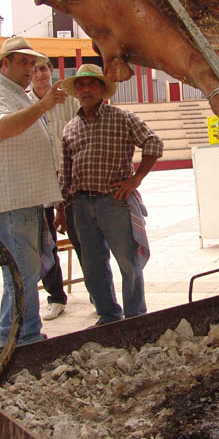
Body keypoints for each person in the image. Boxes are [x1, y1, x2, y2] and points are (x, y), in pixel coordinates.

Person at [0, 36, 67, 348]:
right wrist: (43, 104)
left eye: (32, 62)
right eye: (23, 62)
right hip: (10, 201)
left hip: (24, 199)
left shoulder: (16, 95)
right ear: (5, 64)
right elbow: (1, 129)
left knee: (21, 275)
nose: (29, 68)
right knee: (21, 276)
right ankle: (22, 339)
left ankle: (13, 337)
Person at [56, 63, 163, 325]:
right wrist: (61, 210)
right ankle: (108, 317)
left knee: (129, 263)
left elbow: (153, 143)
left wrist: (135, 179)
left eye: (91, 83)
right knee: (93, 268)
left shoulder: (122, 117)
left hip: (114, 202)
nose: (85, 89)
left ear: (103, 89)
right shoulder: (70, 128)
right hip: (81, 204)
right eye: (80, 85)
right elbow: (65, 173)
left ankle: (136, 317)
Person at [28, 57, 81, 321]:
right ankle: (55, 297)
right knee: (45, 242)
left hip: (68, 180)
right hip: (38, 181)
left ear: (51, 71)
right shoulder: (24, 102)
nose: (39, 74)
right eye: (34, 69)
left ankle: (97, 290)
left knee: (82, 237)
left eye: (43, 68)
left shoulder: (68, 101)